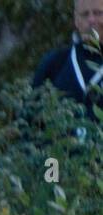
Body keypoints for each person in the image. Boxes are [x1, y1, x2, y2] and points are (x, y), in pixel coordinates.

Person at [32, 1, 103, 137]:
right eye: (85, 14)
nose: (91, 20)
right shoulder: (54, 63)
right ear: (76, 20)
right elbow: (32, 123)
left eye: (98, 13)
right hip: (59, 156)